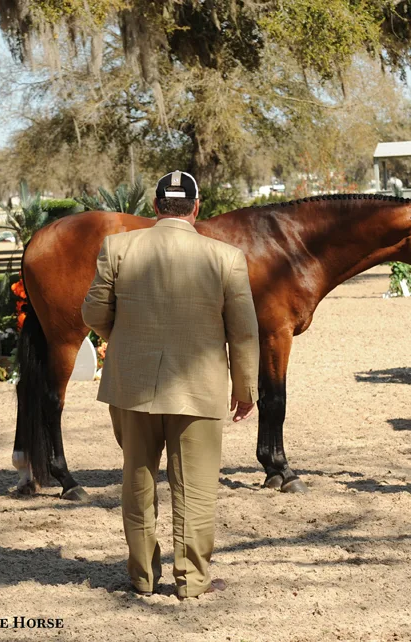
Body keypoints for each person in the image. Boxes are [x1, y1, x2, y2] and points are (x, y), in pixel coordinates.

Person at [81, 170, 260, 598]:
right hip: (200, 387)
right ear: (196, 208)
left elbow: (92, 313)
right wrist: (245, 388)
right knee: (196, 489)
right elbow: (244, 332)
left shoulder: (118, 247)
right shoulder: (226, 257)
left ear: (156, 206)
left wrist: (121, 340)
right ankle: (192, 580)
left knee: (137, 483)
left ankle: (142, 576)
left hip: (131, 384)